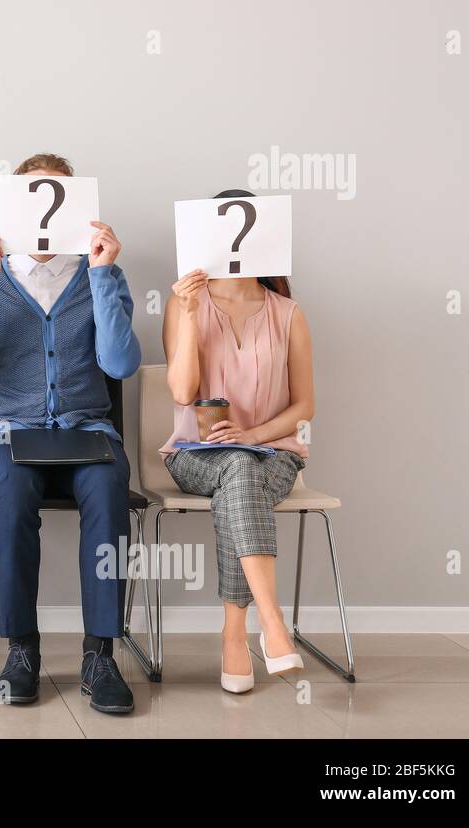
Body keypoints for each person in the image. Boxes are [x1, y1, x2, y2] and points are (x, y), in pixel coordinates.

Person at [0, 153, 141, 713]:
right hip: (7, 433)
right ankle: (21, 648)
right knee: (11, 487)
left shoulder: (104, 276)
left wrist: (101, 276)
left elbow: (121, 364)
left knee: (107, 489)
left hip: (87, 432)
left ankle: (101, 651)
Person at [161, 188, 310, 693]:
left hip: (272, 456)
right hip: (194, 457)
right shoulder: (185, 303)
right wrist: (185, 312)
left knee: (242, 472)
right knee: (234, 469)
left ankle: (234, 633)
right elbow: (182, 391)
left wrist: (250, 435)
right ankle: (272, 625)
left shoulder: (289, 313)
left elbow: (304, 406)